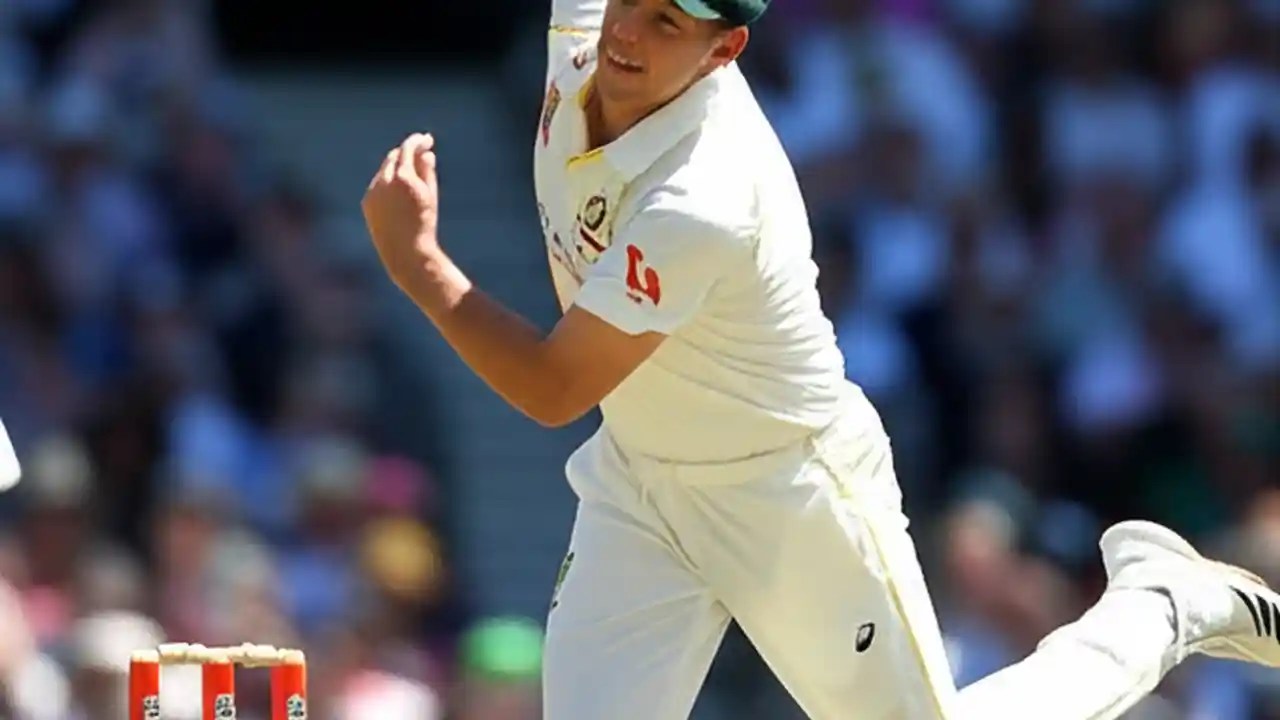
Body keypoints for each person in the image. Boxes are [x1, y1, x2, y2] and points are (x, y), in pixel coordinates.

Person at [358, 0, 1280, 717]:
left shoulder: (703, 196)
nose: (627, 34)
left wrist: (422, 268)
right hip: (640, 481)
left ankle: (1162, 604)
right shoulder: (585, 24)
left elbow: (555, 387)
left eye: (669, 23)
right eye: (631, 3)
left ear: (724, 50)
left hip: (787, 490)